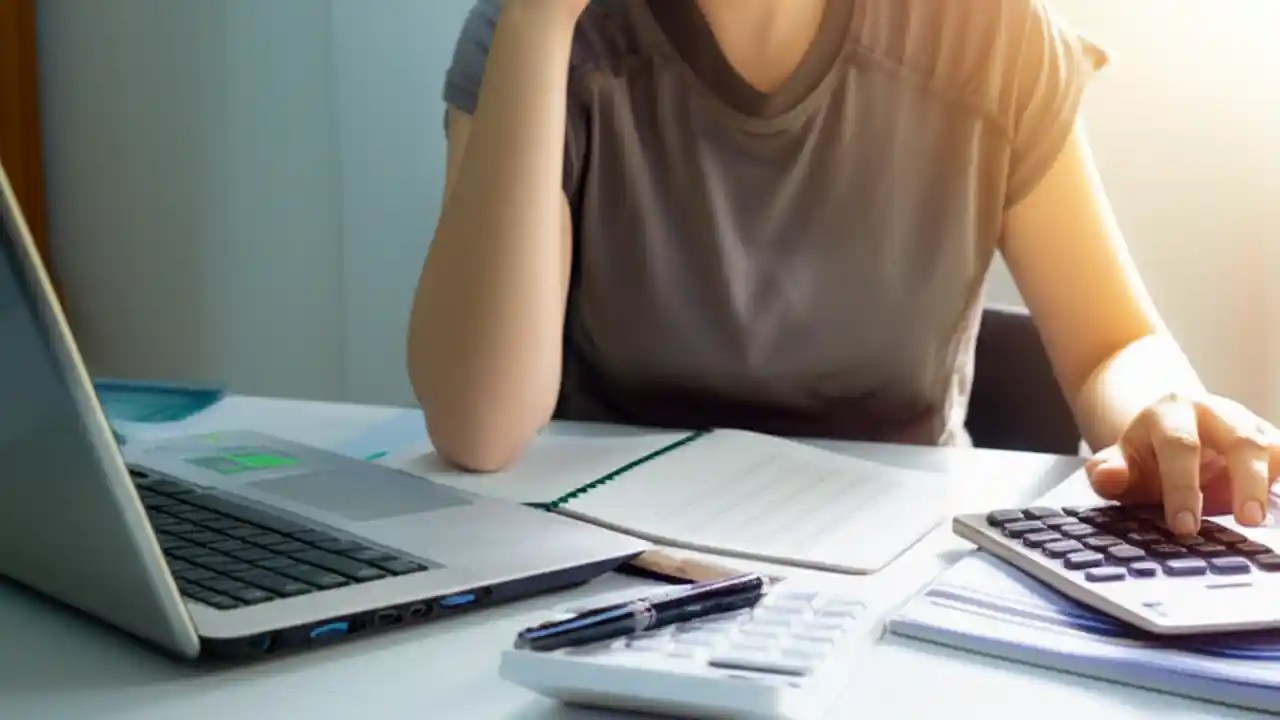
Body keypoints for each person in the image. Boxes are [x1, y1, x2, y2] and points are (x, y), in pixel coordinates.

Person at [407, 0, 1278, 536]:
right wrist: (539, 16)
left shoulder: (987, 29)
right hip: (605, 564)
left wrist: (1161, 409)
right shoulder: (540, 36)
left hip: (899, 572)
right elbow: (479, 427)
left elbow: (1111, 346)